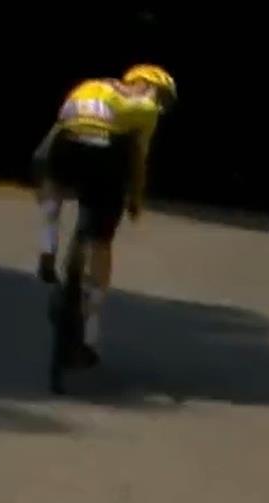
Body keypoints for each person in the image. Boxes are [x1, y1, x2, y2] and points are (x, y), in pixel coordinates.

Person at [33, 64, 176, 365]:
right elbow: (138, 159)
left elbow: (62, 121)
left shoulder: (89, 85)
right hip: (104, 157)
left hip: (66, 142)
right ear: (148, 85)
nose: (160, 104)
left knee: (51, 180)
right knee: (101, 241)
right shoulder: (145, 107)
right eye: (161, 95)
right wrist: (135, 198)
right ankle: (91, 331)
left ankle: (48, 243)